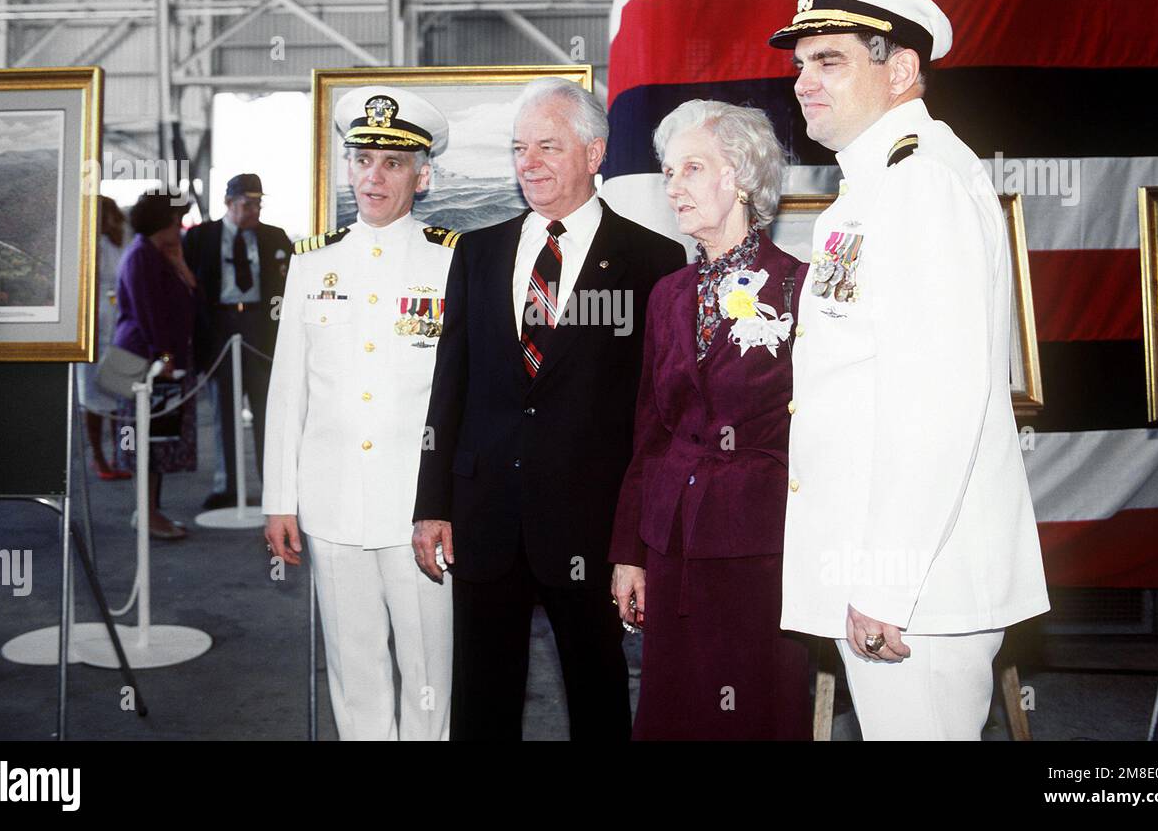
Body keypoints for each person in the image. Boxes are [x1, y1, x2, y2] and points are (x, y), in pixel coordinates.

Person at [766, 0, 1049, 739]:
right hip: (899, 576)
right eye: (800, 63)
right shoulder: (875, 189)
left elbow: (938, 404)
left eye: (830, 59)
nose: (803, 81)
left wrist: (887, 583)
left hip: (920, 585)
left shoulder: (921, 186)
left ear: (902, 71)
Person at [412, 77, 686, 741]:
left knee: (597, 695)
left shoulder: (654, 261)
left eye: (547, 146)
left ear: (594, 154)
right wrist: (432, 503)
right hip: (485, 519)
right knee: (482, 701)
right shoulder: (477, 253)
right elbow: (450, 386)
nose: (527, 162)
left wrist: (639, 542)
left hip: (590, 528)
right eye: (517, 148)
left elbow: (656, 418)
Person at [609, 100, 811, 741]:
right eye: (668, 172)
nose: (673, 188)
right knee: (674, 713)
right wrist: (629, 555)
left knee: (754, 710)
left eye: (691, 169)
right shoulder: (668, 293)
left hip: (760, 546)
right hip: (672, 543)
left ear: (743, 177)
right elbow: (650, 432)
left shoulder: (800, 289)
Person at [263, 87, 459, 740]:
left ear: (421, 175)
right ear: (348, 167)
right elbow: (288, 389)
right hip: (333, 505)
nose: (374, 176)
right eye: (363, 159)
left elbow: (461, 398)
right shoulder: (312, 262)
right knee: (355, 674)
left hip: (419, 510)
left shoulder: (452, 261)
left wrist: (454, 500)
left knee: (428, 674)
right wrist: (279, 500)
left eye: (393, 163)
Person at [183, 173, 292, 511]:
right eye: (248, 203)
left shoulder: (275, 237)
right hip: (220, 329)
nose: (255, 210)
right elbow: (188, 292)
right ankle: (227, 485)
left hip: (260, 329)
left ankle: (271, 487)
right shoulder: (201, 238)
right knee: (224, 413)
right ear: (229, 203)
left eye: (259, 203)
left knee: (266, 413)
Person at [113, 190, 202, 540]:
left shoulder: (155, 254)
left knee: (158, 440)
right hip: (147, 362)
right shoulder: (142, 257)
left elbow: (191, 294)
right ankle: (147, 514)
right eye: (175, 219)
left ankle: (150, 511)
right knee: (149, 442)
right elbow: (149, 312)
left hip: (157, 359)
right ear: (162, 221)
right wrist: (165, 356)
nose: (179, 224)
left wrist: (179, 263)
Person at [78, 196, 131, 480]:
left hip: (118, 323)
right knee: (95, 400)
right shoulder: (88, 245)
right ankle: (99, 458)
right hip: (94, 324)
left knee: (120, 397)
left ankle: (121, 455)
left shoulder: (120, 243)